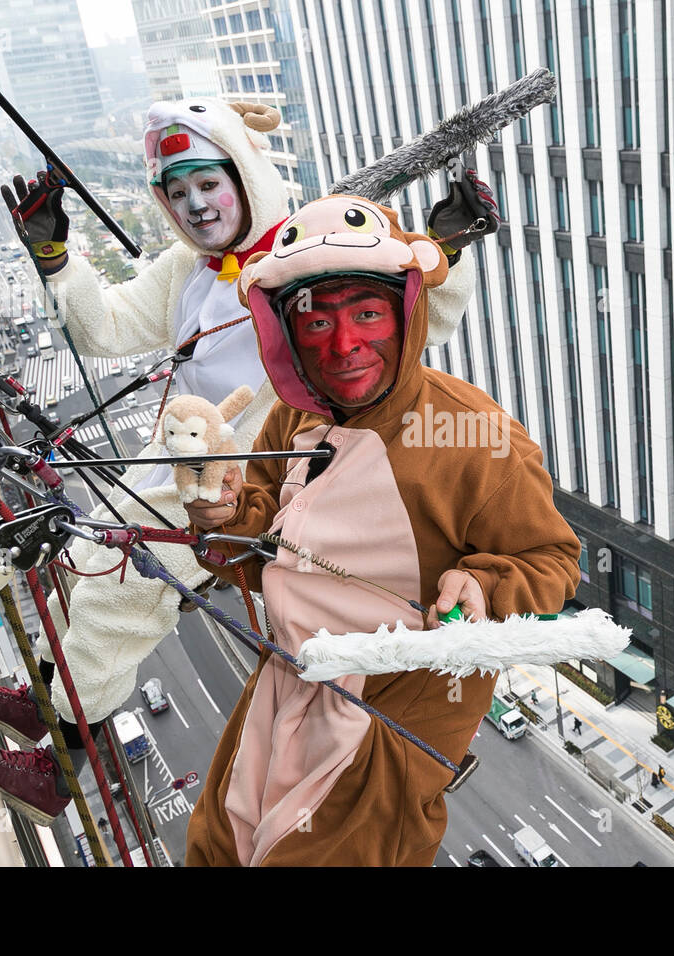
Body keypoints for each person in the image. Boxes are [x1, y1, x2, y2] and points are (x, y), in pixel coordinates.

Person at [0, 98, 495, 828]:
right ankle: (41, 701)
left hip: (238, 482)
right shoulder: (187, 271)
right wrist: (57, 259)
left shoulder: (303, 262)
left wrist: (446, 253)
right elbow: (105, 329)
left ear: (243, 178)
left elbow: (408, 323)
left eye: (209, 183)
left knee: (121, 597)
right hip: (172, 454)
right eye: (178, 192)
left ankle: (59, 768)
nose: (196, 205)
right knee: (87, 572)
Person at [180, 195, 580, 866]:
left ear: (405, 314)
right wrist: (222, 515)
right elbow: (257, 554)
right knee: (218, 845)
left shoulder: (474, 433)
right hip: (285, 684)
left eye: (367, 314)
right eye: (315, 324)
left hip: (391, 722)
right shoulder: (291, 418)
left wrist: (482, 584)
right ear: (286, 333)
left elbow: (552, 561)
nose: (343, 346)